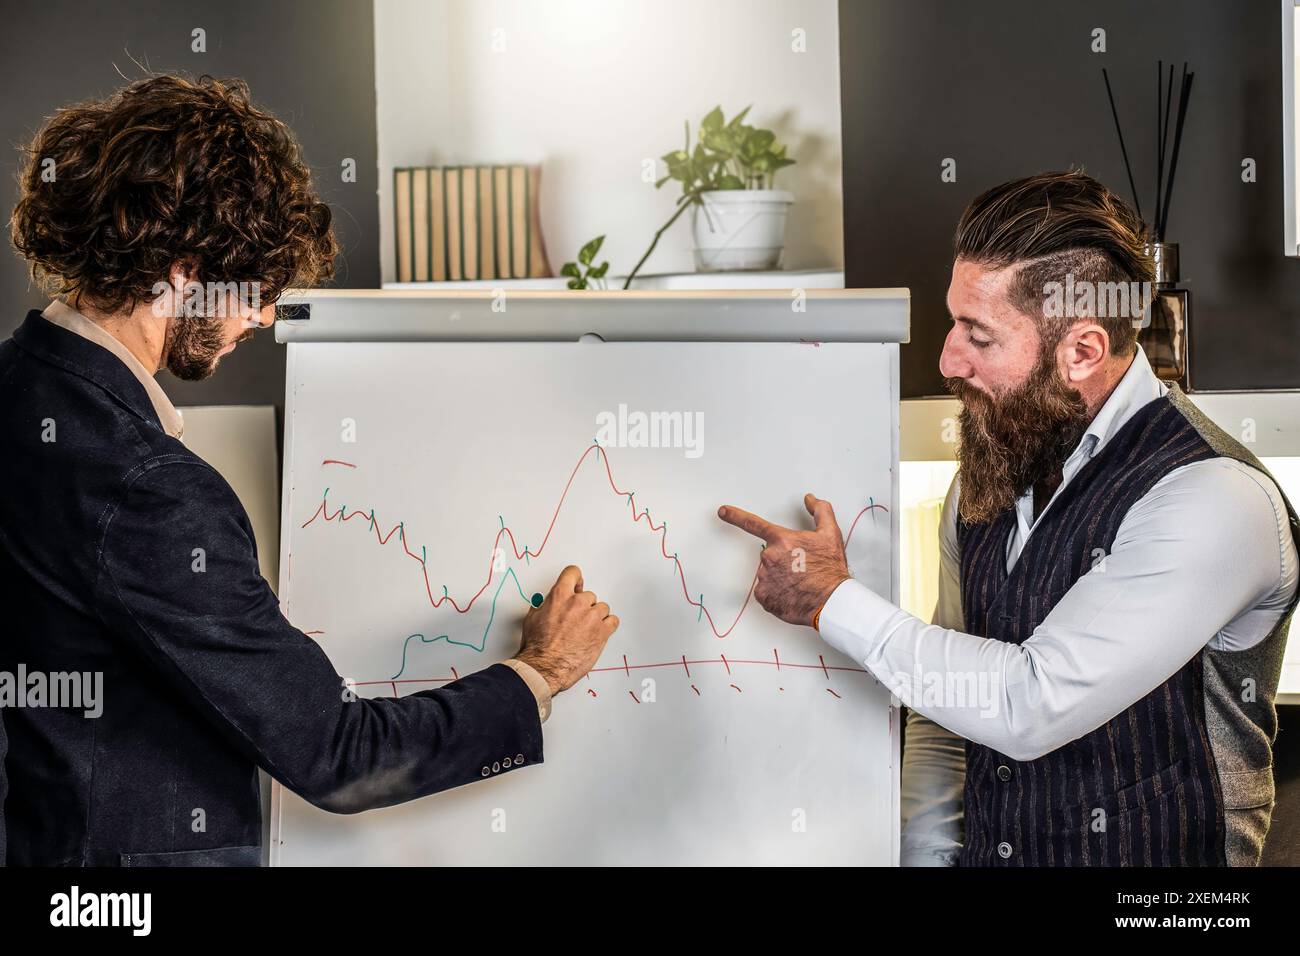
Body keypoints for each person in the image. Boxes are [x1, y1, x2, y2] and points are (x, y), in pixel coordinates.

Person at [0, 74, 618, 866]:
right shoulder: (151, 488)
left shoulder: (17, 389)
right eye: (253, 289)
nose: (262, 316)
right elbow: (337, 754)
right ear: (186, 273)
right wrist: (539, 674)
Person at [719, 170, 1300, 867]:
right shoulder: (988, 471)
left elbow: (1030, 703)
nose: (946, 360)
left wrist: (830, 600)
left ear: (1082, 351)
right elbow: (943, 705)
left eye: (979, 335)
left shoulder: (1215, 497)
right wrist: (925, 856)